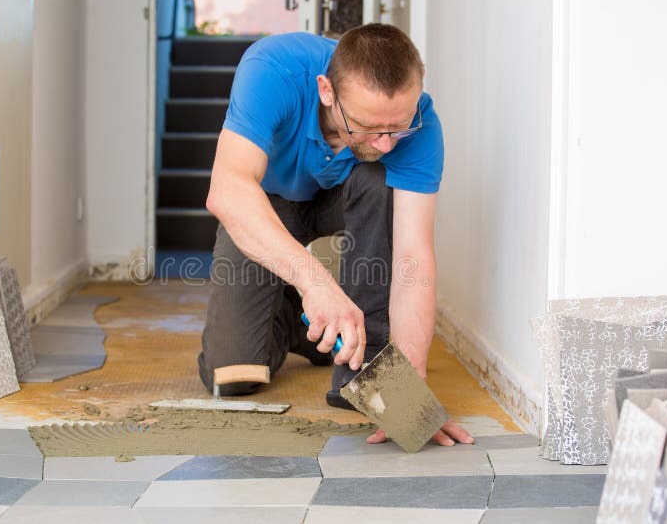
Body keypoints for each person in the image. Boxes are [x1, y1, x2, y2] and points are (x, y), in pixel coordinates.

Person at [198, 23, 473, 446]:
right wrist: (316, 284)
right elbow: (227, 191)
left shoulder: (420, 124)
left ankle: (366, 370)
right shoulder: (273, 68)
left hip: (346, 198)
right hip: (267, 203)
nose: (386, 143)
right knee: (231, 373)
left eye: (397, 127)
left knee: (380, 179)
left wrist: (409, 389)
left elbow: (412, 258)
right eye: (366, 127)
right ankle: (300, 320)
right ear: (326, 91)